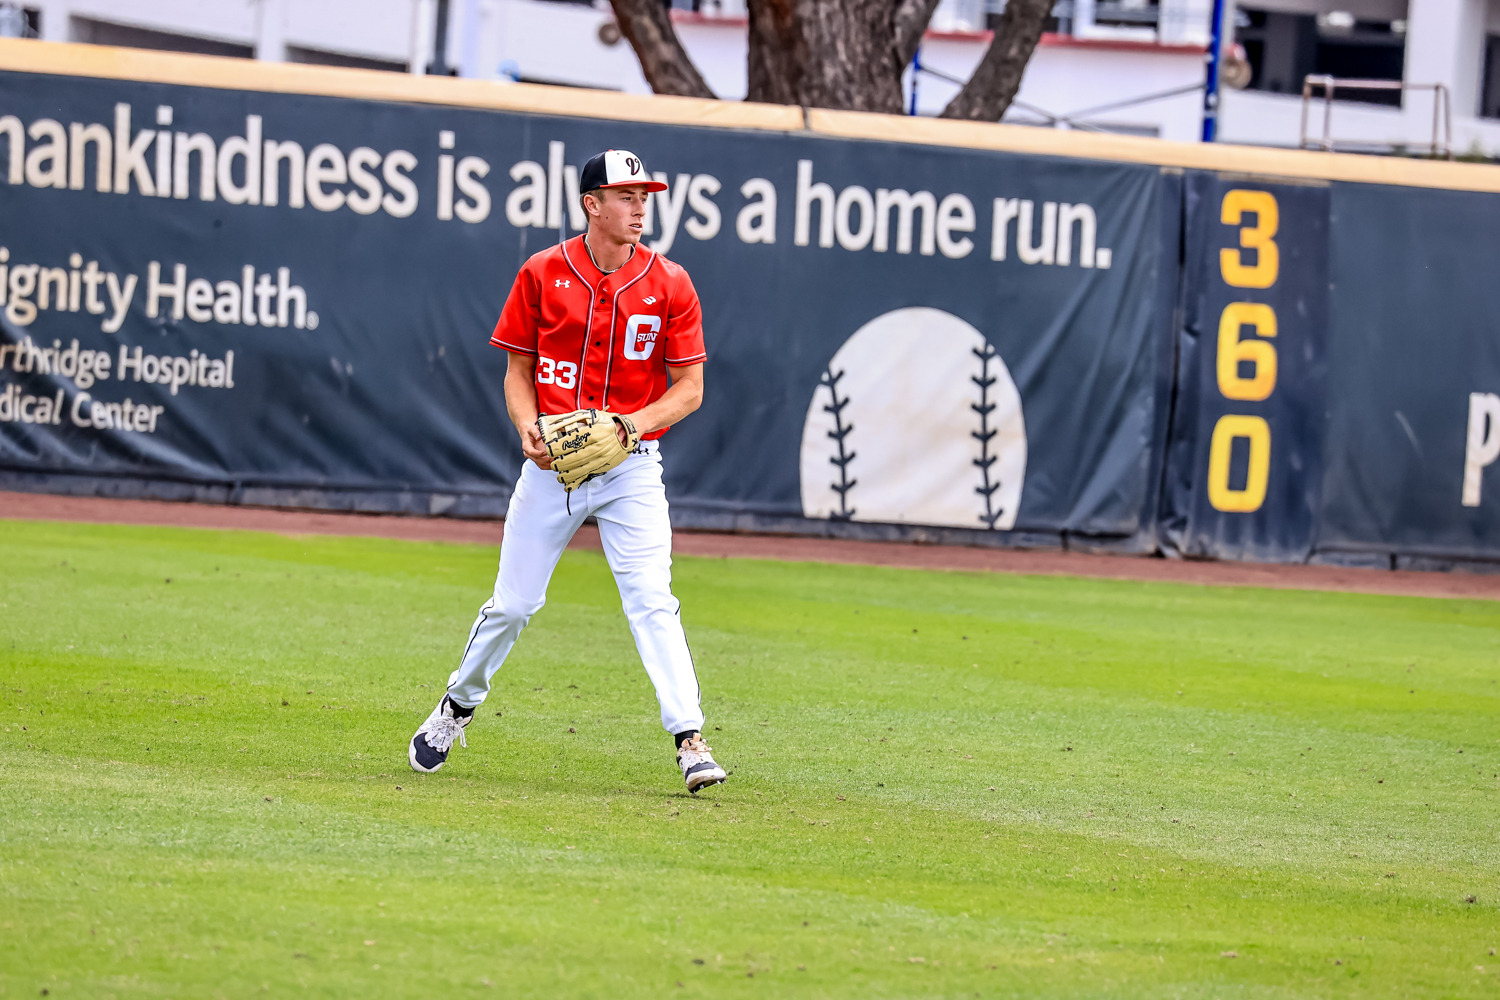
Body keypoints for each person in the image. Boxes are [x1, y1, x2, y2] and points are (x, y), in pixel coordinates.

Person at [408, 149, 727, 793]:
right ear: (592, 204)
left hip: (632, 465)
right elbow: (517, 372)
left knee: (652, 600)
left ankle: (690, 739)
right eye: (626, 195)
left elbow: (689, 389)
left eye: (644, 197)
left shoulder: (671, 282)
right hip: (553, 466)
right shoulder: (542, 272)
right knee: (513, 605)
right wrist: (525, 425)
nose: (640, 207)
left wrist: (631, 426)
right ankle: (457, 705)